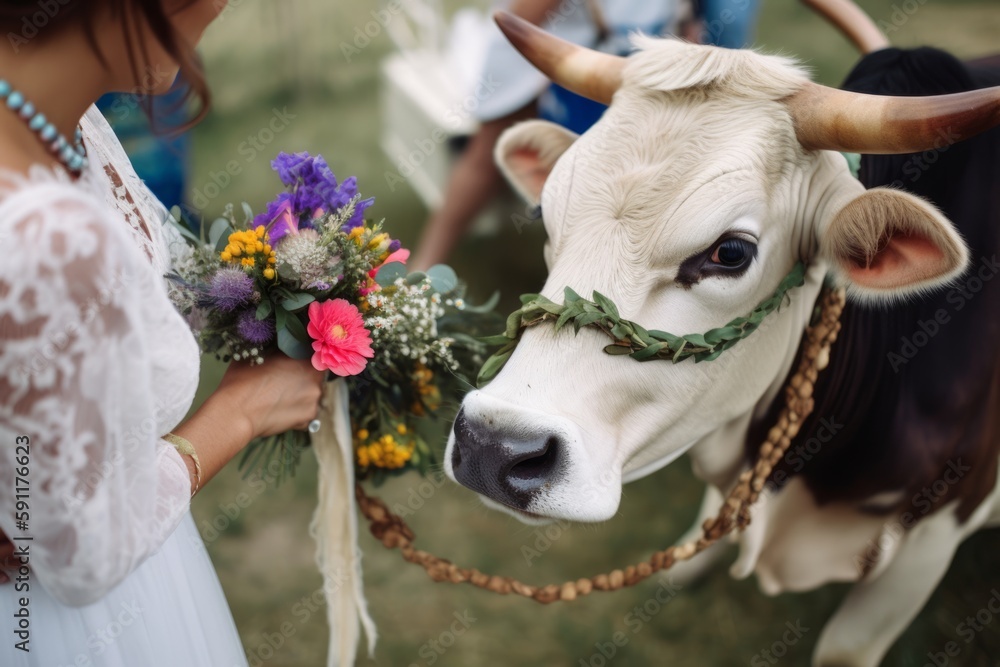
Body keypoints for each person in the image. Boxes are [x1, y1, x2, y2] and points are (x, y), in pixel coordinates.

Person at [0, 2, 325, 665]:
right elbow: (81, 560)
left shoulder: (68, 120)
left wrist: (294, 291)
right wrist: (240, 412)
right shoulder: (42, 236)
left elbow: (158, 278)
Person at [410, 0, 682, 271]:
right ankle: (426, 262)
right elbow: (523, 19)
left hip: (632, 59)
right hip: (546, 53)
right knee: (489, 147)